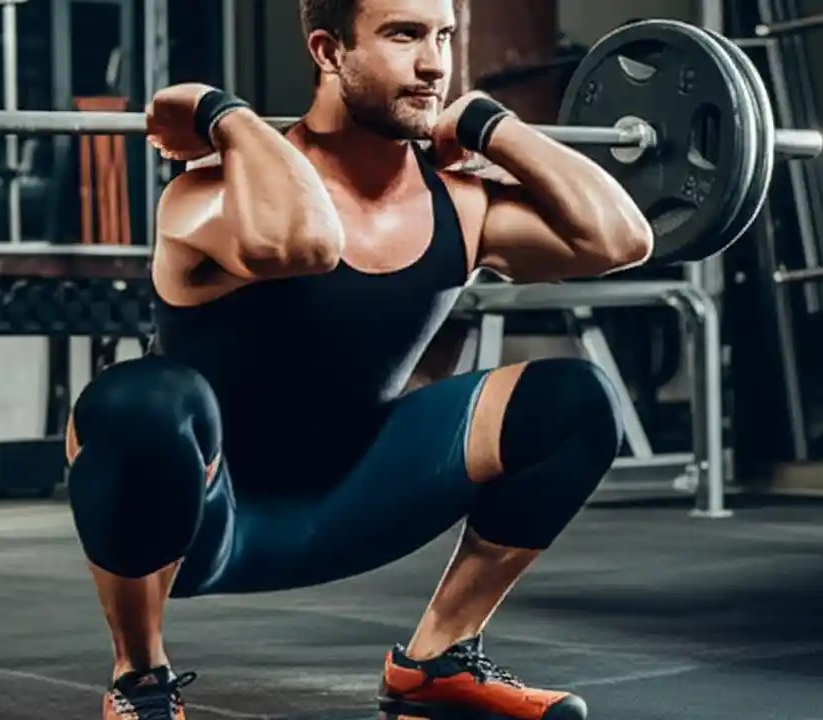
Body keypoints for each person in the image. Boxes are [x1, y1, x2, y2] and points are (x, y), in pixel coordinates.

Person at [65, 0, 653, 718]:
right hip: (198, 525)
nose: (434, 62)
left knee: (575, 402)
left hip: (356, 496)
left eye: (443, 36)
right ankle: (140, 677)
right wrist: (229, 115)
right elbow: (305, 244)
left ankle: (436, 662)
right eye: (403, 35)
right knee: (138, 403)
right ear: (328, 51)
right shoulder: (207, 196)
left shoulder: (461, 206)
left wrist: (492, 127)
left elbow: (622, 239)